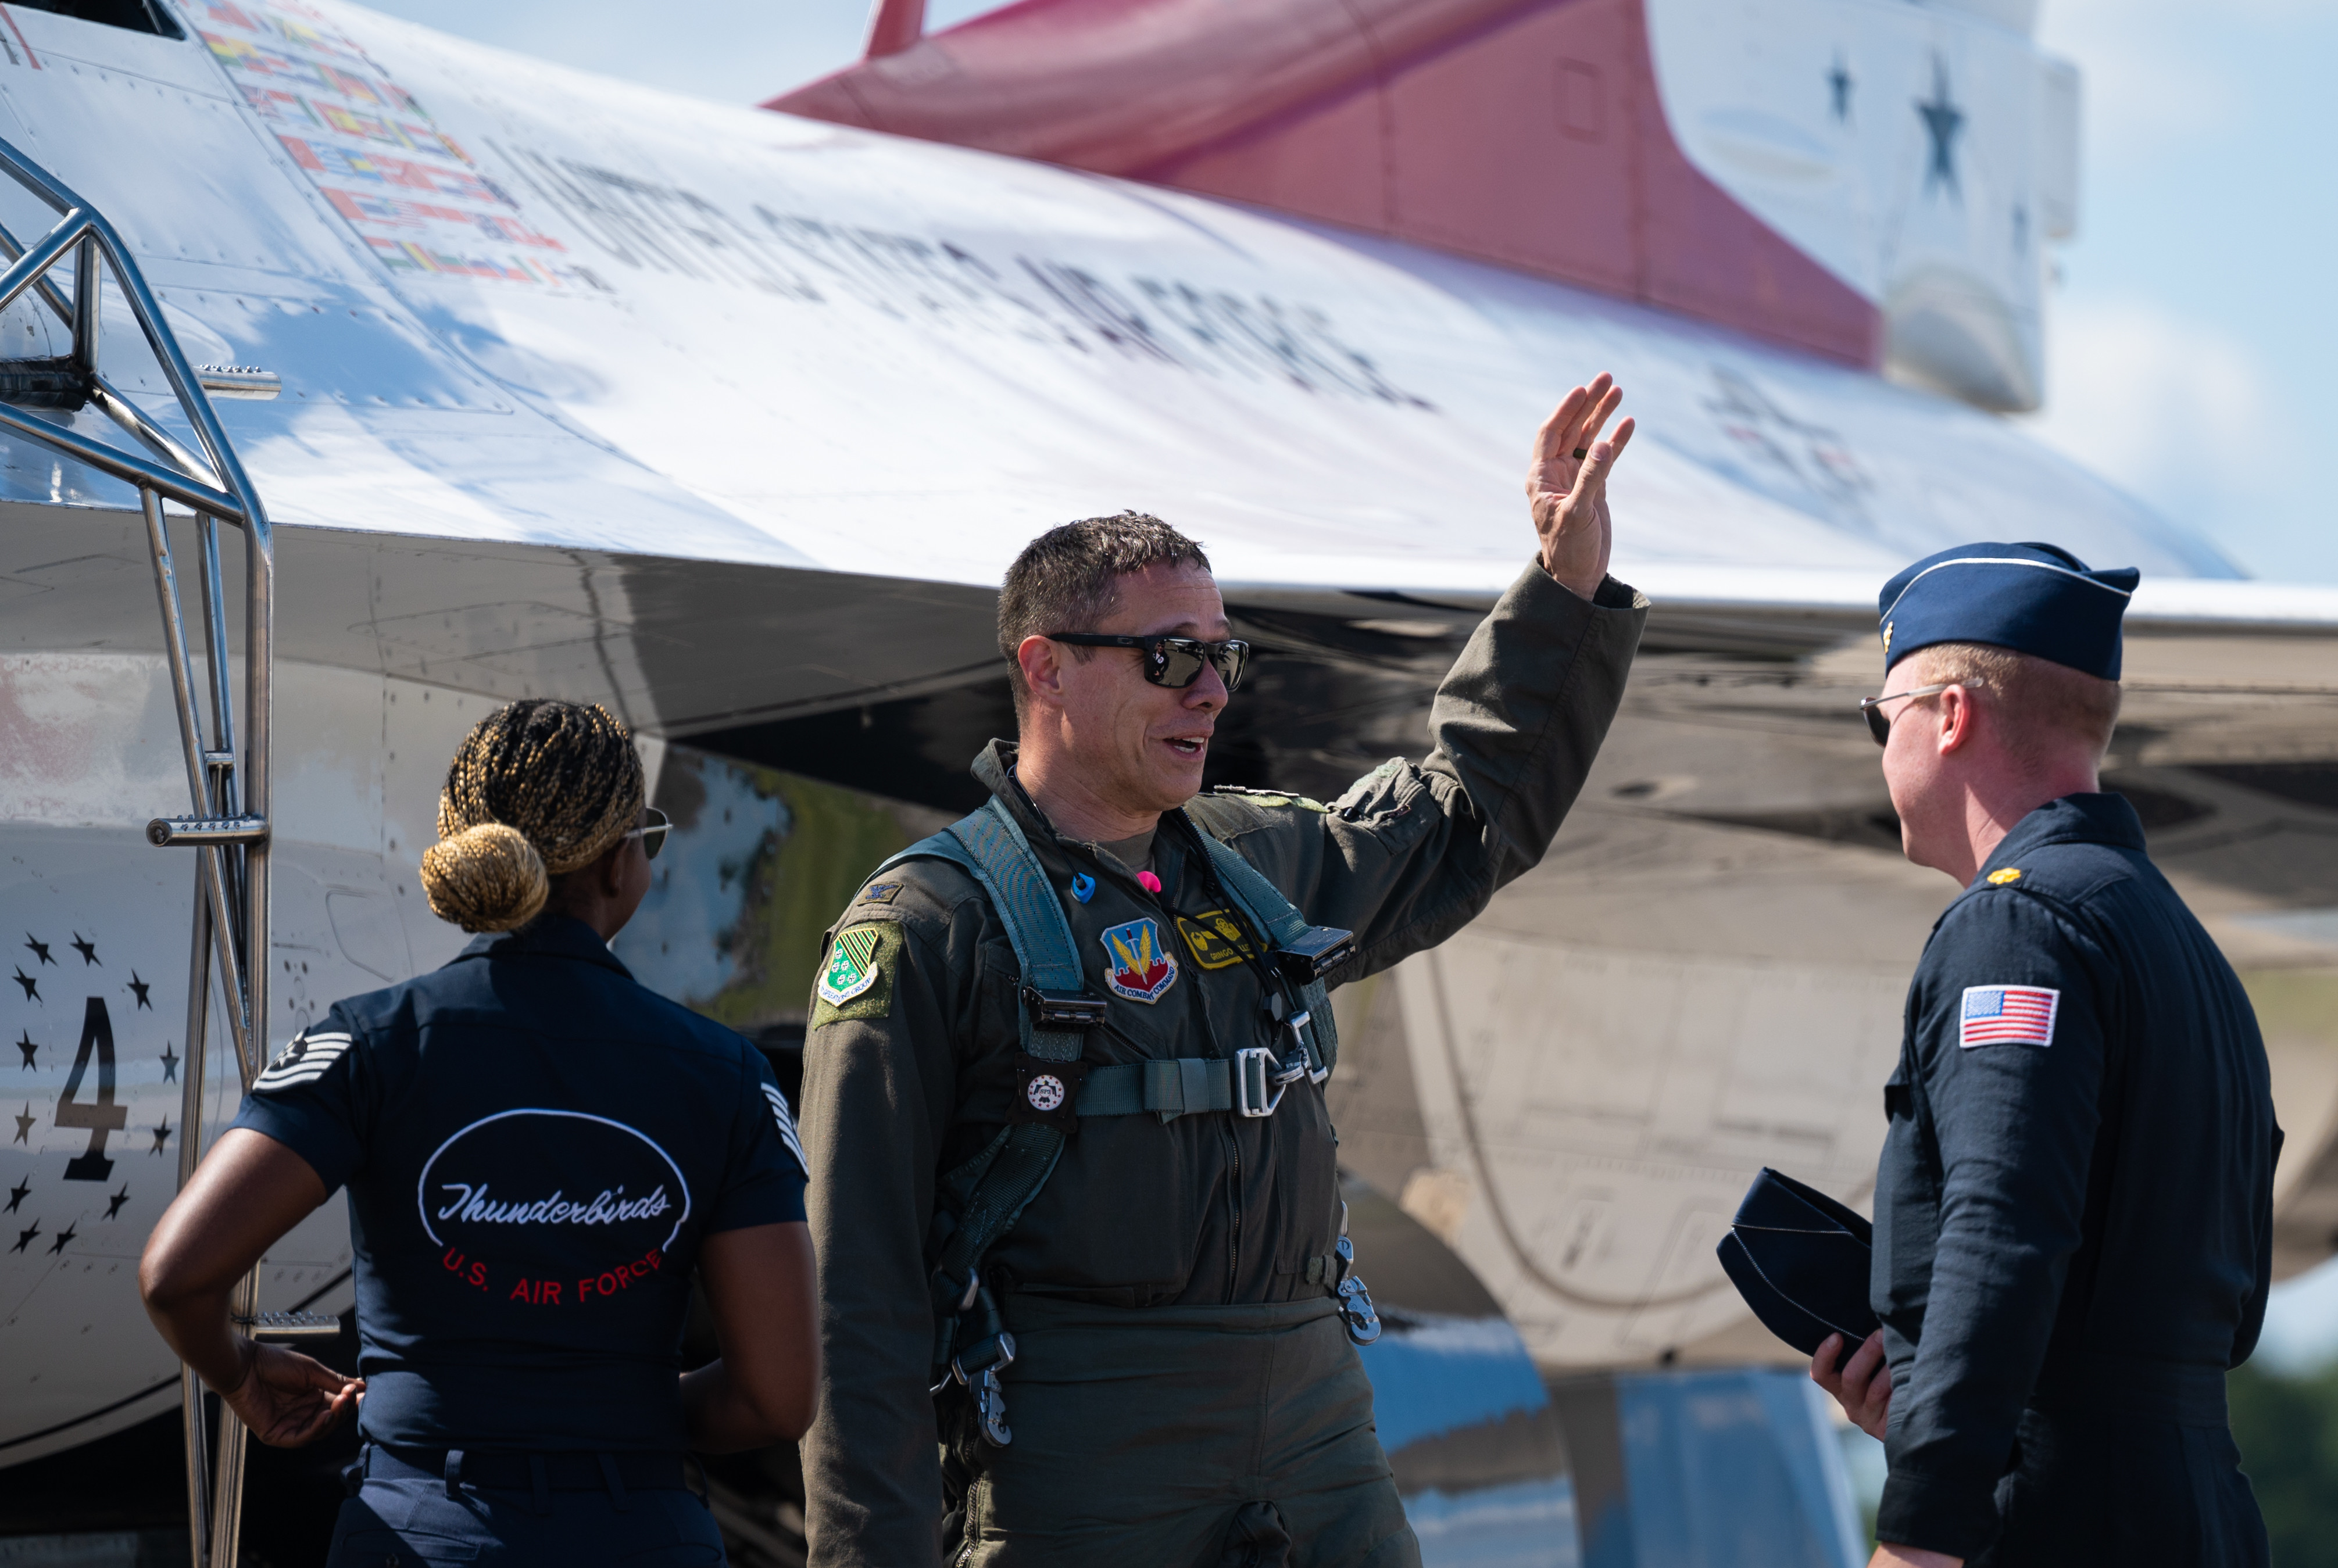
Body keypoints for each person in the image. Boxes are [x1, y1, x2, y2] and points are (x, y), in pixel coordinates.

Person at [798, 375, 1647, 1567]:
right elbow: (855, 1304)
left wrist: (1560, 591)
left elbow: (1464, 815)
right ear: (1046, 668)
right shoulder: (928, 927)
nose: (1209, 688)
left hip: (1314, 1438)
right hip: (1083, 1457)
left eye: (1221, 655)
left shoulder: (1263, 862)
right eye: (1168, 657)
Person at [140, 698, 818, 1566]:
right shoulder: (725, 1074)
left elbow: (176, 1276)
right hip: (641, 1531)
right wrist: (611, 1408)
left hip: (421, 1531)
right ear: (620, 863)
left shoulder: (369, 1044)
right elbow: (777, 1397)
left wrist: (238, 1371)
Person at [1811, 543, 2280, 1568]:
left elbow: (2003, 1226)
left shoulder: (2016, 926)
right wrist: (1932, 1386)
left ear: (1949, 715)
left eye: (1877, 717)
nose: (1879, 750)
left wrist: (1924, 1522)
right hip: (2198, 1506)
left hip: (2060, 1518)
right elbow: (2226, 1308)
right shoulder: (2182, 946)